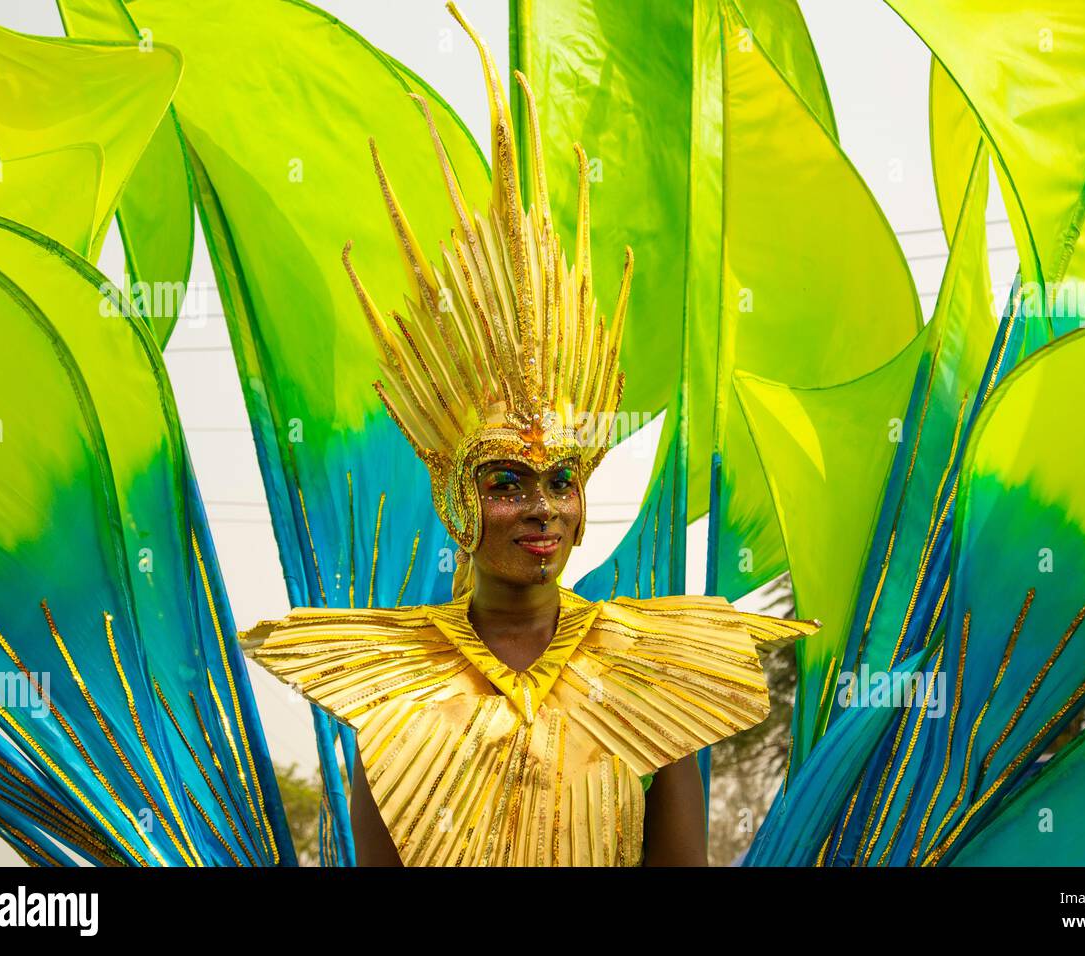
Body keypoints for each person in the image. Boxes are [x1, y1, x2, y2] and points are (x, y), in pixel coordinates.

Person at [243, 2, 822, 866]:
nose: (540, 509)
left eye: (561, 480)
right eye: (506, 482)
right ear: (455, 496)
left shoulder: (650, 673)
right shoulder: (395, 691)